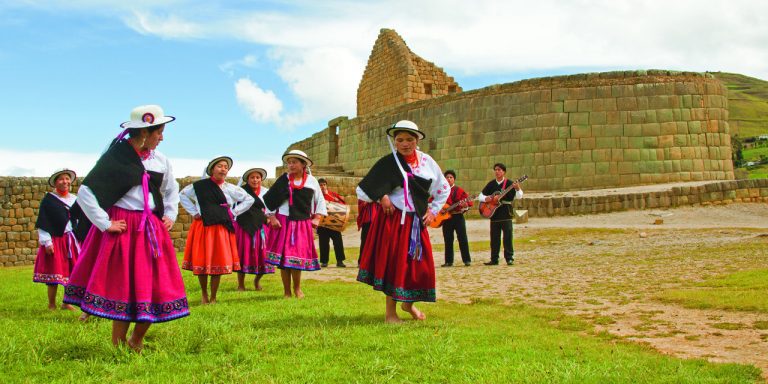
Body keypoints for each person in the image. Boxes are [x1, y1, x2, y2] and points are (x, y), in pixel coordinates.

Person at [63, 104, 189, 351]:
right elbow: (87, 192)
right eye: (159, 132)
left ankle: (137, 339)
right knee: (125, 286)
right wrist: (105, 223)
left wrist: (170, 214)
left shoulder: (161, 161)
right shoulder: (117, 157)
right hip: (123, 227)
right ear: (144, 132)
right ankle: (119, 342)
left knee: (156, 284)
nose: (162, 137)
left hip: (151, 227)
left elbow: (171, 190)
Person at [356, 120, 450, 323]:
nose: (405, 144)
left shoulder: (427, 163)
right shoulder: (389, 163)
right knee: (393, 264)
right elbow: (362, 191)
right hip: (392, 223)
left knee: (418, 265)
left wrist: (433, 211)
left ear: (417, 140)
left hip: (416, 223)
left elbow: (443, 189)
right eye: (400, 140)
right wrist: (382, 196)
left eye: (409, 139)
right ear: (395, 142)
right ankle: (390, 313)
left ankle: (409, 303)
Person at [180, 156, 254, 304]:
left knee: (218, 262)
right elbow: (182, 195)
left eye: (226, 167)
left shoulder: (230, 188)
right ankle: (204, 294)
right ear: (212, 169)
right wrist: (194, 212)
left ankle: (213, 296)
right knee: (202, 259)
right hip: (204, 226)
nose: (223, 169)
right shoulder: (199, 186)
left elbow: (249, 199)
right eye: (220, 166)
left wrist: (234, 212)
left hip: (221, 227)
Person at [263, 149, 326, 299]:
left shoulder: (312, 181)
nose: (291, 165)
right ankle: (286, 291)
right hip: (283, 221)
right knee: (284, 259)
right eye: (289, 162)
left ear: (303, 164)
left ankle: (297, 289)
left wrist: (317, 217)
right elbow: (269, 199)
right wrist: (272, 218)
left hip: (302, 223)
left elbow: (320, 200)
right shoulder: (283, 180)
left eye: (294, 162)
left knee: (296, 257)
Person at [34, 168, 80, 311]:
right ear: (55, 182)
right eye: (61, 179)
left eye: (67, 179)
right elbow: (43, 222)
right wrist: (47, 242)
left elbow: (80, 218)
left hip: (71, 240)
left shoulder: (74, 199)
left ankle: (66, 302)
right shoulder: (49, 200)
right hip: (55, 240)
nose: (65, 182)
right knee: (54, 273)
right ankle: (51, 304)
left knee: (72, 272)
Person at [234, 167, 275, 291]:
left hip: (261, 228)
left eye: (258, 177)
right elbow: (235, 206)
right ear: (247, 179)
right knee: (242, 254)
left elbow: (271, 208)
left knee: (262, 256)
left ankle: (257, 281)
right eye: (252, 177)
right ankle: (241, 284)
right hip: (244, 226)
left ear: (261, 179)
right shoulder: (240, 191)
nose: (255, 180)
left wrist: (268, 218)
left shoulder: (266, 192)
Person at [478, 163, 523, 266]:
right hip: (494, 214)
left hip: (506, 214)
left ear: (504, 172)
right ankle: (494, 259)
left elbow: (519, 196)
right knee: (494, 238)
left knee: (507, 237)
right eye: (496, 170)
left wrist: (517, 188)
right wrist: (487, 198)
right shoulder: (491, 184)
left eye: (499, 170)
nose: (497, 172)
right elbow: (480, 195)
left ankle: (509, 258)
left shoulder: (510, 184)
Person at [439, 170, 473, 267]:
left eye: (451, 177)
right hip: (445, 218)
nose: (449, 179)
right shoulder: (441, 191)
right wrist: (438, 209)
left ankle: (466, 260)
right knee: (448, 239)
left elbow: (468, 205)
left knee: (462, 238)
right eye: (447, 177)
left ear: (454, 179)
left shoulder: (459, 190)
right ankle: (449, 261)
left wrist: (465, 205)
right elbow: (433, 201)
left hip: (458, 216)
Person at [317, 178, 347, 268]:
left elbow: (342, 203)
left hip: (334, 222)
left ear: (326, 185)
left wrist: (329, 196)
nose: (322, 187)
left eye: (324, 185)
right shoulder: (316, 196)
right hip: (322, 223)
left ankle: (340, 261)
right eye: (320, 185)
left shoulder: (333, 194)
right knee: (323, 243)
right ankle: (324, 261)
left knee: (338, 242)